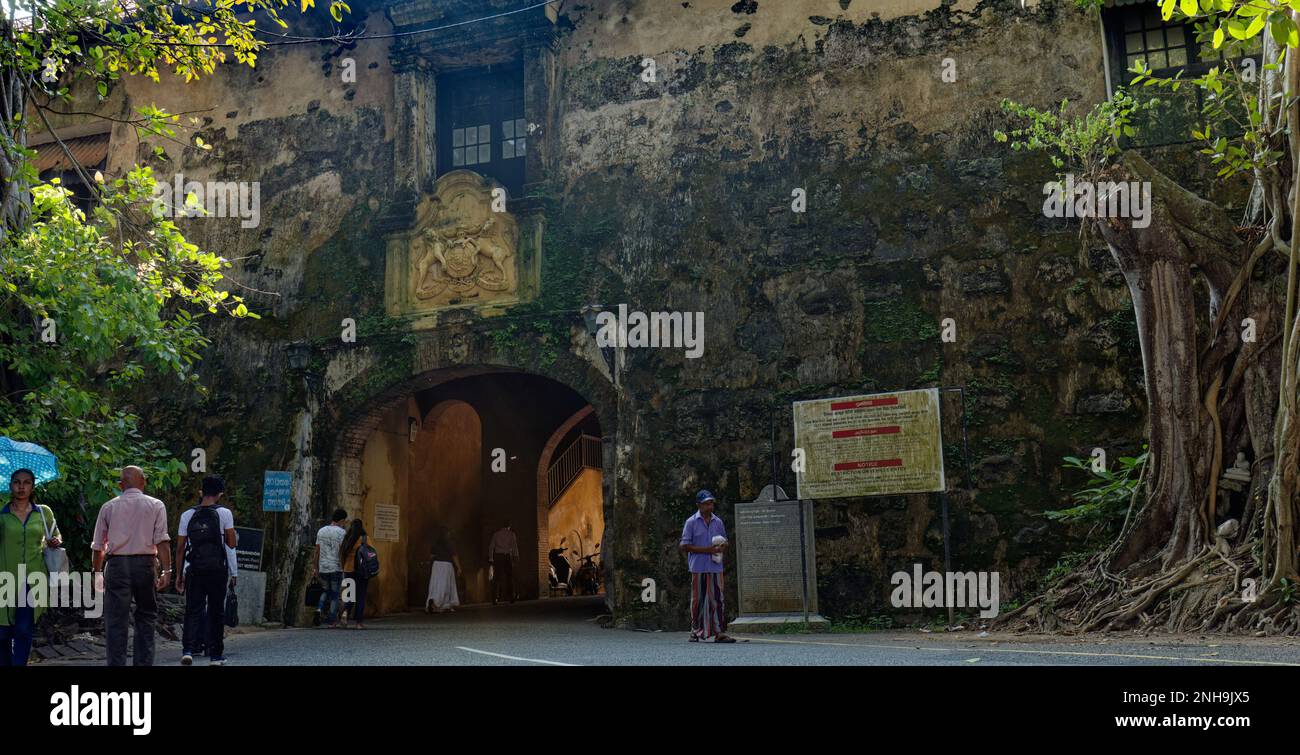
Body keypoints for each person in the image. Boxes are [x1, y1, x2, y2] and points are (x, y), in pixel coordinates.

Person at [91, 466, 173, 666]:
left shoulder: (109, 507)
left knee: (116, 620)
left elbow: (98, 546)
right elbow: (162, 541)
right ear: (143, 482)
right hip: (145, 566)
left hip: (117, 565)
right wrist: (167, 570)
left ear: (120, 485)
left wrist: (97, 572)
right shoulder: (156, 505)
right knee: (146, 616)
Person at [0, 469, 62, 666]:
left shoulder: (43, 512)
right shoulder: (2, 513)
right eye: (17, 482)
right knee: (2, 632)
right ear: (10, 485)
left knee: (24, 628)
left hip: (33, 577)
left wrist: (55, 541)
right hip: (5, 576)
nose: (21, 486)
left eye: (26, 483)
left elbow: (56, 534)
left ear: (32, 486)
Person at [176, 475, 236, 665]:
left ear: (201, 492)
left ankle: (188, 650)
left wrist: (179, 574)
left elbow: (180, 548)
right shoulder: (225, 513)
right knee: (216, 611)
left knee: (193, 610)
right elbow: (231, 544)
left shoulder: (187, 515)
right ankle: (216, 655)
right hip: (217, 570)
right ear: (220, 494)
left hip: (195, 568)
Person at [679, 489, 734, 643]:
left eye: (711, 503)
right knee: (698, 600)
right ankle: (695, 631)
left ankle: (719, 632)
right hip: (698, 567)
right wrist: (707, 550)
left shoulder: (718, 521)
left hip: (715, 566)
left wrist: (723, 546)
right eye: (706, 504)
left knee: (717, 599)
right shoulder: (691, 522)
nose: (709, 506)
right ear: (698, 505)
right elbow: (684, 545)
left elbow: (725, 540)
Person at [313, 508, 348, 628]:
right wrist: (343, 567)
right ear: (342, 520)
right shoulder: (341, 533)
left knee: (325, 590)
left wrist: (315, 567)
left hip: (323, 567)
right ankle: (332, 620)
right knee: (334, 595)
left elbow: (317, 551)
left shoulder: (321, 531)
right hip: (335, 567)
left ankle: (318, 609)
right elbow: (341, 552)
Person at [339, 518, 370, 629]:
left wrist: (344, 567)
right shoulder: (365, 539)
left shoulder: (347, 538)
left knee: (350, 596)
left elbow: (341, 554)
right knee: (361, 596)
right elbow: (370, 554)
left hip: (348, 570)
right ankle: (358, 623)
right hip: (361, 571)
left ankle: (344, 613)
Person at [425, 525, 461, 613]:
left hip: (436, 565)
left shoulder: (436, 544)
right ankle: (438, 604)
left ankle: (437, 602)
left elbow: (431, 556)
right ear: (447, 534)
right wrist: (459, 567)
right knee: (446, 585)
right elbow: (454, 555)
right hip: (446, 565)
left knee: (436, 585)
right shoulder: (450, 543)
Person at [488, 520, 518, 605]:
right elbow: (514, 547)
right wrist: (516, 557)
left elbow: (491, 547)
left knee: (497, 578)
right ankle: (511, 597)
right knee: (509, 577)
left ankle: (495, 598)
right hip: (507, 556)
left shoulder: (496, 534)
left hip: (498, 557)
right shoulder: (511, 534)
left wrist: (491, 558)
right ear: (509, 526)